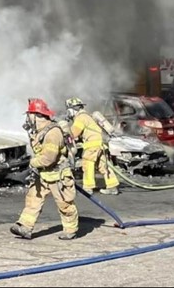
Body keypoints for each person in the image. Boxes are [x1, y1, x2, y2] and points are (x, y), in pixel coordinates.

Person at [11, 98, 79, 240]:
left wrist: (31, 162)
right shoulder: (39, 131)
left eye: (29, 115)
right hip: (43, 174)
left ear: (37, 115)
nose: (27, 118)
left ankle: (70, 230)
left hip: (58, 175)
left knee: (65, 204)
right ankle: (25, 227)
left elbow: (49, 158)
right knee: (33, 200)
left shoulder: (53, 133)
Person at [66, 98, 119, 195]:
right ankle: (112, 187)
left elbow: (74, 133)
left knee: (87, 164)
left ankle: (88, 188)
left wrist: (65, 133)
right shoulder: (87, 116)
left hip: (92, 145)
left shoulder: (80, 117)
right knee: (103, 166)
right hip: (100, 144)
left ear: (71, 109)